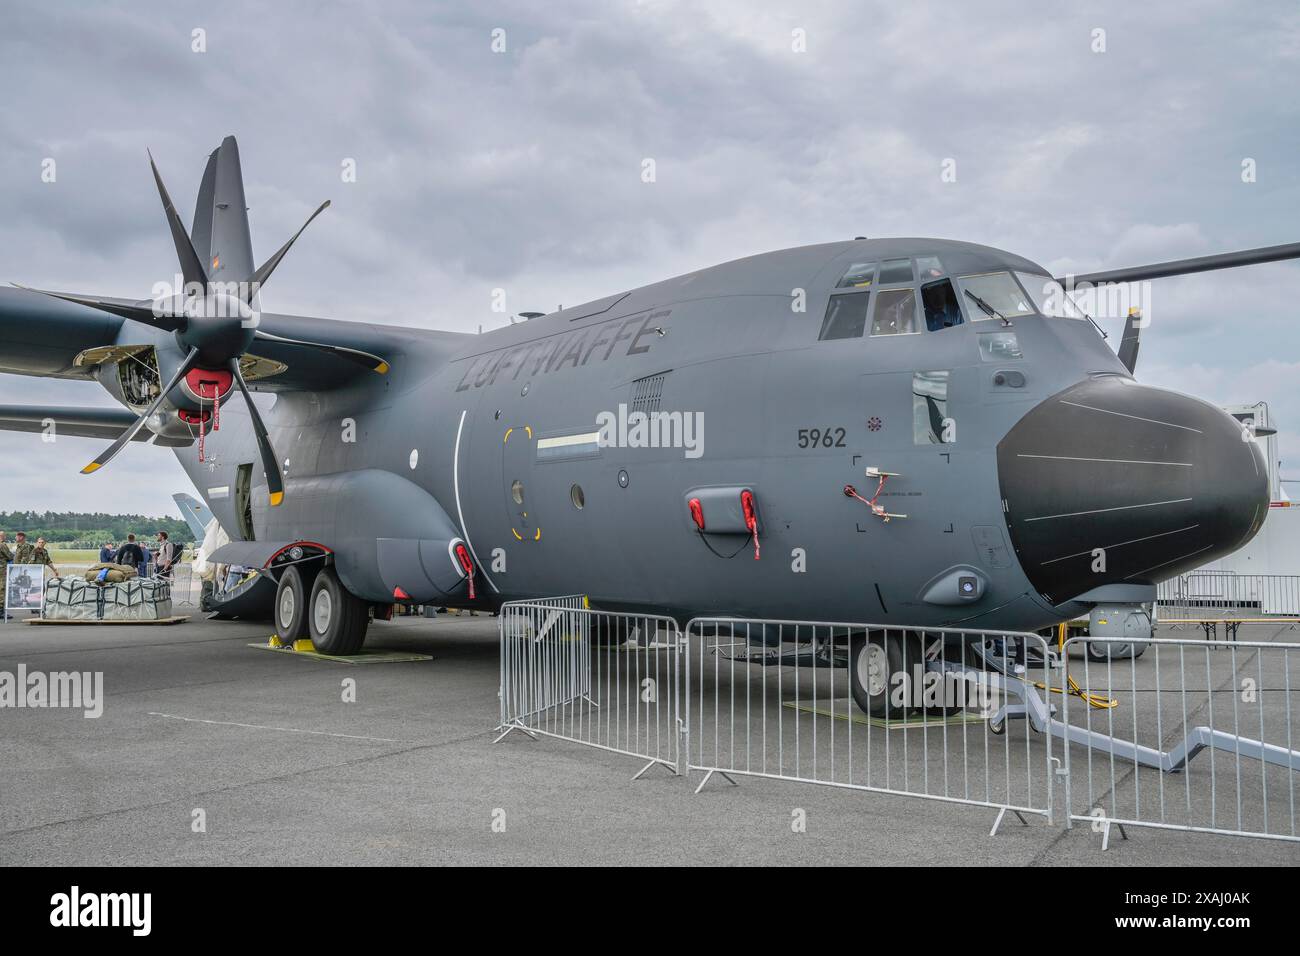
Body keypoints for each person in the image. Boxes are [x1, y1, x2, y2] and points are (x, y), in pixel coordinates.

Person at [0, 531, 11, 612]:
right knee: (2, 588)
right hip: (2, 569)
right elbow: (9, 556)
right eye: (4, 536)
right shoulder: (2, 545)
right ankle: (1, 610)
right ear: (2, 536)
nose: (5, 537)